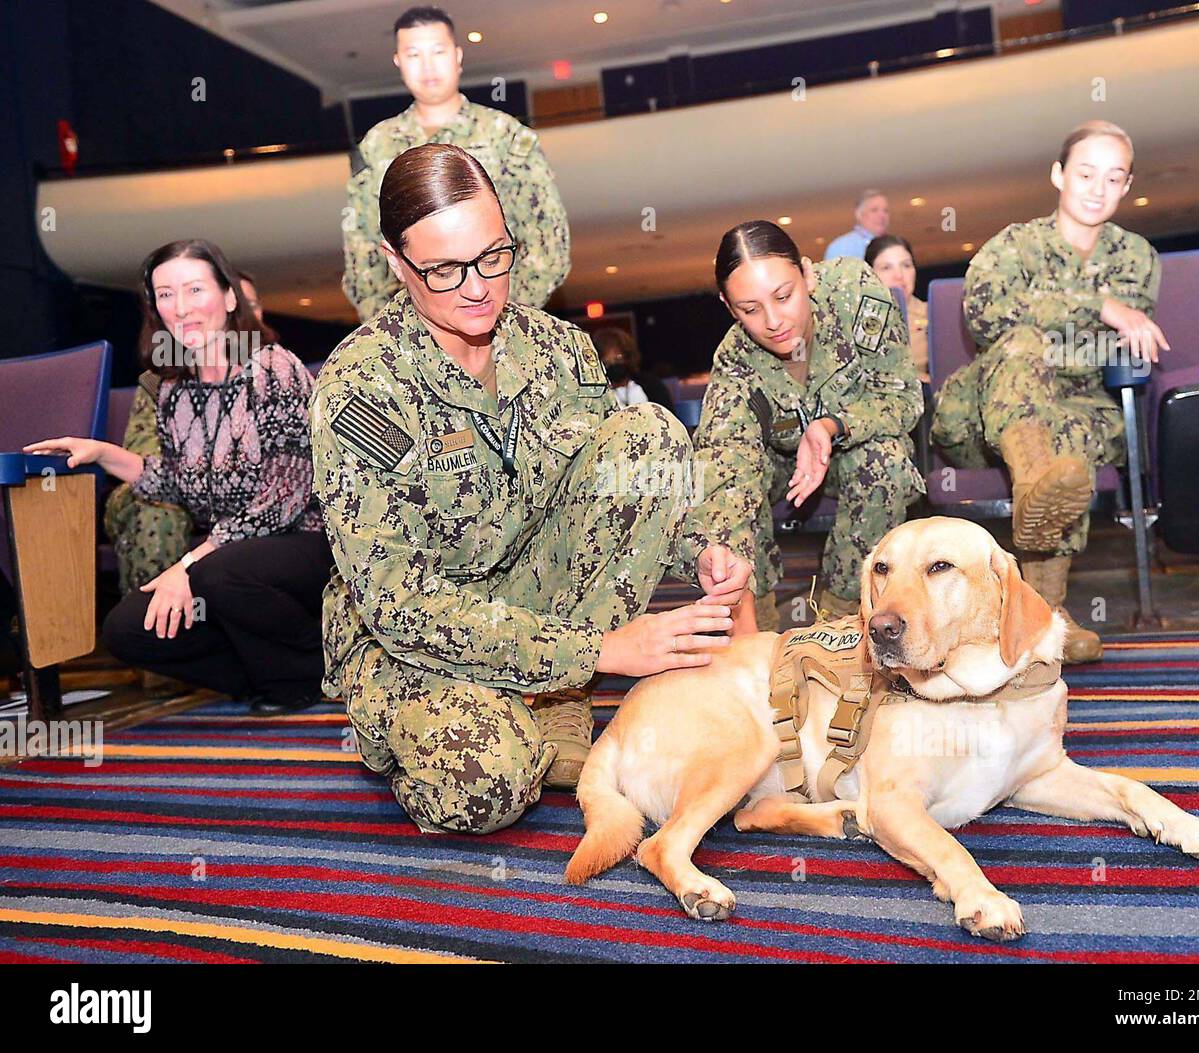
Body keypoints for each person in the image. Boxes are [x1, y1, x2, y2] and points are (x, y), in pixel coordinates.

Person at [311, 143, 751, 835]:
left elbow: (623, 479)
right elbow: (400, 604)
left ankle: (552, 695)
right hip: (411, 630)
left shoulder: (559, 349)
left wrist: (699, 549)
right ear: (396, 264)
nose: (479, 285)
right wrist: (600, 652)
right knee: (485, 787)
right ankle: (488, 707)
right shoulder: (362, 389)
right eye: (445, 269)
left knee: (651, 437)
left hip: (530, 586)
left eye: (494, 255)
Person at [27, 240, 332, 714]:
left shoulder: (274, 367)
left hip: (306, 546)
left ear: (230, 298)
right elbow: (175, 480)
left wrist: (189, 564)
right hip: (230, 563)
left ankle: (303, 675)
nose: (181, 307)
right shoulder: (172, 389)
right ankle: (272, 673)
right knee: (127, 630)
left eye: (194, 289)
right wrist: (104, 453)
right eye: (165, 294)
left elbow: (285, 497)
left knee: (217, 574)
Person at [930, 120, 1166, 663]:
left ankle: (1043, 616)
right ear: (1059, 174)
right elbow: (990, 318)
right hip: (981, 417)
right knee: (1020, 348)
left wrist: (1056, 322)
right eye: (1086, 173)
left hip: (1075, 409)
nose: (1097, 188)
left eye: (1114, 177)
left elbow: (1112, 352)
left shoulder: (1136, 258)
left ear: (1127, 186)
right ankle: (1045, 600)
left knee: (1067, 438)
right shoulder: (1014, 246)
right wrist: (1097, 307)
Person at [691, 220, 925, 632]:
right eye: (750, 309)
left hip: (853, 449)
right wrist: (731, 575)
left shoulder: (857, 295)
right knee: (731, 481)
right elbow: (723, 468)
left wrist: (831, 426)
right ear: (729, 308)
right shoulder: (734, 362)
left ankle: (842, 617)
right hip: (784, 467)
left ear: (807, 273)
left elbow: (903, 400)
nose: (774, 320)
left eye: (784, 296)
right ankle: (755, 622)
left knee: (884, 461)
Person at [342, 5, 569, 321]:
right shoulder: (377, 145)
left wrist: (496, 312)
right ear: (398, 61)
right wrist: (404, 333)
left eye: (438, 51)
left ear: (458, 55)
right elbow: (363, 254)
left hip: (499, 324)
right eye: (414, 55)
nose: (428, 66)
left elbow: (548, 242)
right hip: (413, 342)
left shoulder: (505, 136)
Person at [103, 270, 278, 594]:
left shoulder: (275, 376)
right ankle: (152, 628)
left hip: (250, 500)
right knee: (157, 511)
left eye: (252, 305)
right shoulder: (162, 380)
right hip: (165, 495)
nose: (245, 314)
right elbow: (147, 460)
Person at [865, 234, 929, 382]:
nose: (899, 275)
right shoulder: (858, 320)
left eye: (906, 265)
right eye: (886, 267)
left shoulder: (933, 314)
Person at [594, 327, 673, 411]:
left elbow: (668, 415)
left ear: (628, 357)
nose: (613, 364)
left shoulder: (650, 384)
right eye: (607, 362)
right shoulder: (598, 394)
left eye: (618, 358)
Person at [823, 189, 890, 261]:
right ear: (859, 214)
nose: (882, 216)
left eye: (886, 211)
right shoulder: (841, 247)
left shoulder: (892, 246)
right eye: (874, 210)